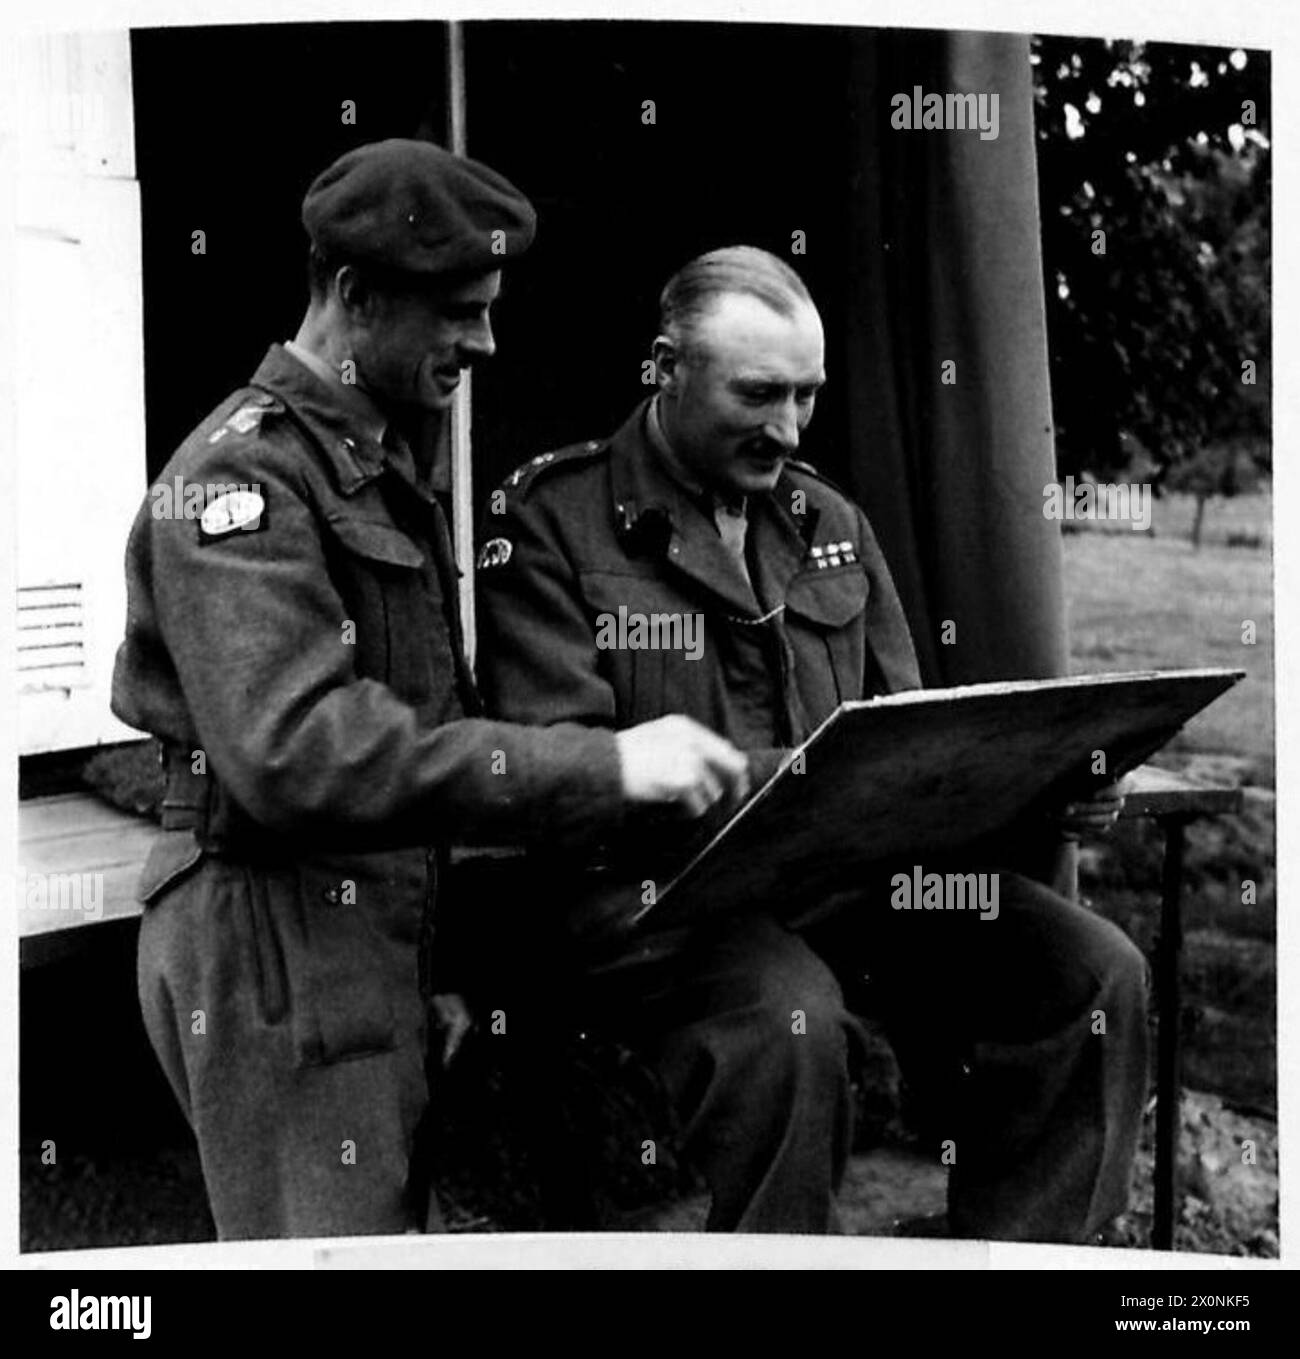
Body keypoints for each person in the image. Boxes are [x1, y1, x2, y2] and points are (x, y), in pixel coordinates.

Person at [110, 141, 748, 1241]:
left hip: (365, 930)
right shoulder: (241, 479)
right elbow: (298, 748)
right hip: (273, 941)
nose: (485, 342)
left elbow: (426, 723)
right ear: (354, 295)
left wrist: (445, 955)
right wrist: (600, 763)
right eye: (459, 311)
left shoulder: (369, 460)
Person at [473, 245, 1149, 1240]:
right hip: (658, 907)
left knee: (1091, 974)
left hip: (848, 890)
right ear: (665, 368)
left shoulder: (825, 517)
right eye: (757, 394)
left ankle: (1012, 1261)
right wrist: (777, 781)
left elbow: (913, 742)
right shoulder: (552, 524)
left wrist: (1045, 789)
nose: (787, 429)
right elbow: (561, 770)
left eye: (807, 395)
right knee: (786, 1024)